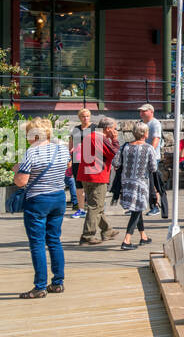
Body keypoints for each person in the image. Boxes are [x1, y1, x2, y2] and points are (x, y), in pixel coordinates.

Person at [14, 119, 69, 298]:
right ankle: (58, 282)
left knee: (37, 243)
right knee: (54, 240)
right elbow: (68, 166)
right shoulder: (61, 148)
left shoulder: (32, 152)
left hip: (38, 201)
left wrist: (17, 170)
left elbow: (21, 182)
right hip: (59, 197)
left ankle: (39, 287)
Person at [112, 121, 159, 248]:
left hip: (126, 182)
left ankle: (143, 236)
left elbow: (115, 162)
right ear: (144, 134)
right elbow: (153, 168)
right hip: (141, 183)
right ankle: (126, 240)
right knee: (137, 210)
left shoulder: (125, 146)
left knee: (136, 208)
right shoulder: (148, 148)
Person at [76, 117, 119, 246]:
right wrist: (115, 140)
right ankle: (87, 235)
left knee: (97, 205)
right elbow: (114, 153)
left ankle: (107, 230)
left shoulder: (90, 136)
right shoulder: (101, 138)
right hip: (97, 176)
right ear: (108, 129)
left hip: (87, 175)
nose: (115, 131)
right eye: (114, 128)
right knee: (95, 207)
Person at [66, 108, 93, 218]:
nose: (85, 118)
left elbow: (99, 146)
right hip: (77, 160)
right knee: (79, 185)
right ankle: (81, 209)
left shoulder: (94, 128)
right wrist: (70, 159)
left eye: (87, 116)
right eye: (83, 116)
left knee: (91, 185)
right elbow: (71, 144)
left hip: (90, 160)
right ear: (79, 117)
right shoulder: (76, 129)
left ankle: (92, 209)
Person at [137, 104, 163, 215]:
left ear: (151, 112)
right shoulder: (141, 123)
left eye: (144, 111)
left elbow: (156, 140)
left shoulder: (155, 123)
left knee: (152, 182)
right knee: (140, 182)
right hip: (141, 156)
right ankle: (137, 207)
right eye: (141, 111)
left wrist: (149, 154)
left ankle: (155, 206)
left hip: (152, 158)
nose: (141, 113)